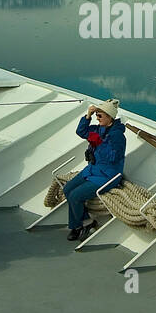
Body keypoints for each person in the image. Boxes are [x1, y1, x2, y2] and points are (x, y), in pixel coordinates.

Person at [64, 98, 126, 242]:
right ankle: (84, 222)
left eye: (99, 115)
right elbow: (81, 131)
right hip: (92, 170)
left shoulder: (117, 135)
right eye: (96, 115)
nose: (97, 118)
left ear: (109, 117)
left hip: (107, 175)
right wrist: (88, 116)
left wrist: (98, 143)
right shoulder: (98, 129)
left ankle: (80, 225)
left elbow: (114, 157)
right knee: (67, 189)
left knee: (75, 196)